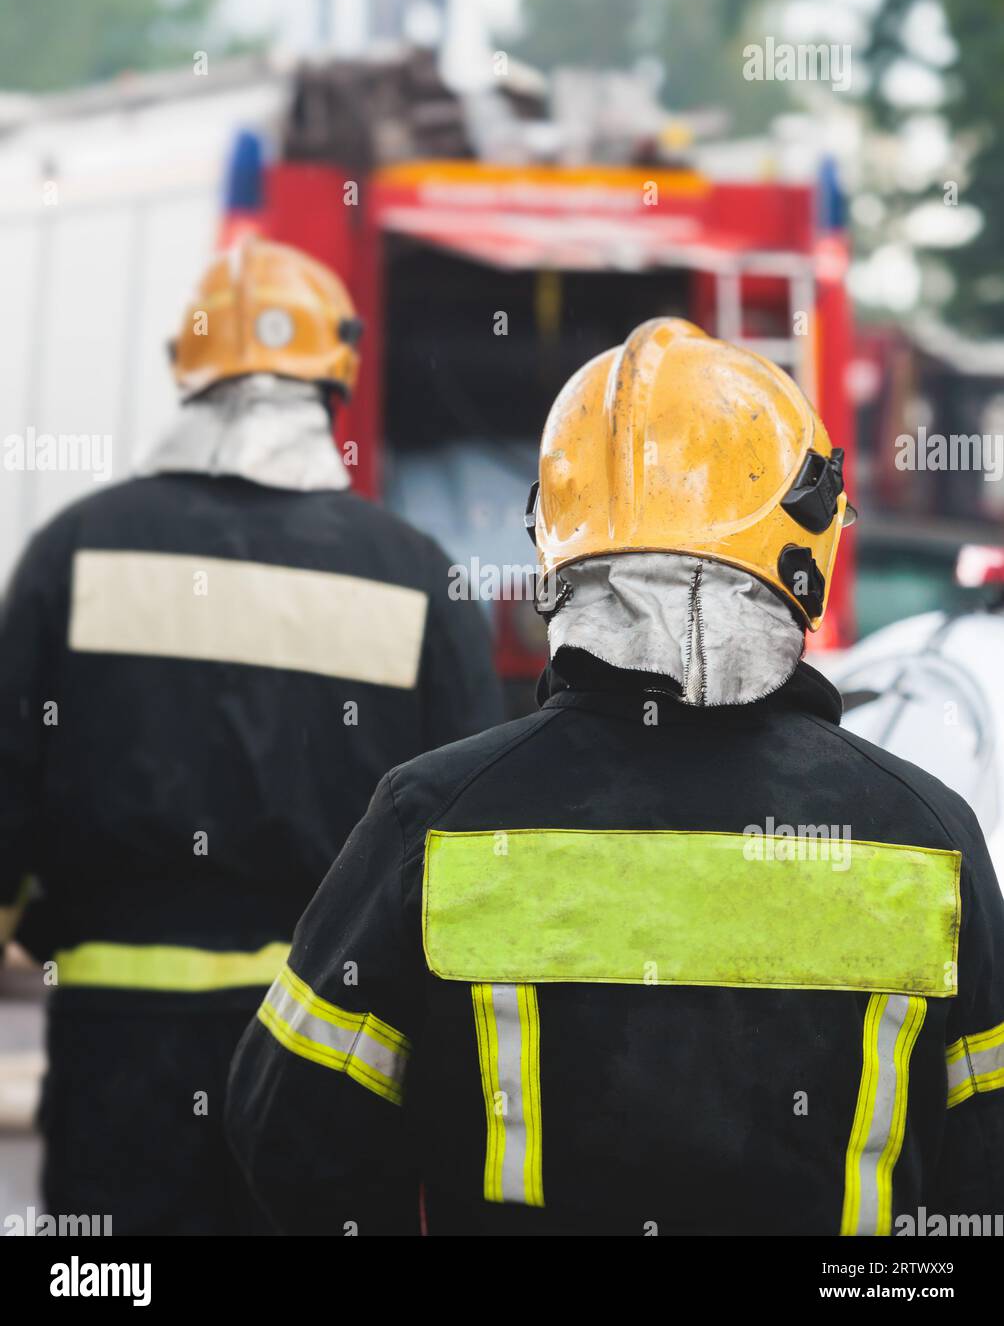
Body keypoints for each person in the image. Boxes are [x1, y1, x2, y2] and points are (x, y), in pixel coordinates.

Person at [226, 317, 1004, 1236]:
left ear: (556, 544)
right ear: (808, 545)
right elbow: (982, 1170)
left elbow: (286, 1130)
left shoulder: (433, 819)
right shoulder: (924, 835)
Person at [0, 237, 501, 1235]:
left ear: (189, 373)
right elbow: (471, 841)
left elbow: (8, 786)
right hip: (336, 1054)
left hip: (121, 1050)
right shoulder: (414, 572)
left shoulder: (76, 548)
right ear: (336, 384)